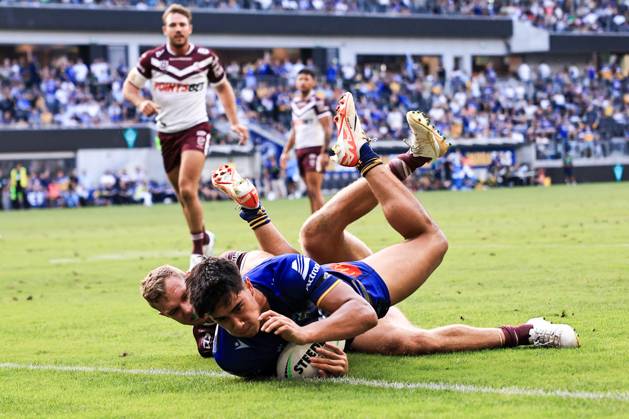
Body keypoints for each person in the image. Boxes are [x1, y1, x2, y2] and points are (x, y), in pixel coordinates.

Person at [165, 93, 578, 377]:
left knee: (418, 238)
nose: (239, 322)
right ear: (204, 318)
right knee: (408, 342)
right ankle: (527, 331)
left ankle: (364, 153)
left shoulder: (263, 272)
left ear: (244, 286)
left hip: (349, 291)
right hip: (337, 314)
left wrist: (305, 333)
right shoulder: (225, 352)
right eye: (222, 319)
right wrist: (325, 361)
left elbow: (351, 309)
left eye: (238, 307)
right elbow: (290, 364)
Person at [122, 3, 249, 270]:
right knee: (183, 196)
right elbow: (129, 87)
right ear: (164, 29)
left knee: (188, 188)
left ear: (189, 28)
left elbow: (224, 88)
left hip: (196, 128)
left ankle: (197, 251)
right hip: (166, 132)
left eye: (182, 24)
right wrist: (140, 102)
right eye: (173, 25)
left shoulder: (205, 58)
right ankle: (204, 236)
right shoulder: (152, 59)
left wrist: (235, 121)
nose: (178, 29)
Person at [280, 68, 332, 213]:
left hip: (315, 148)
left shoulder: (318, 102)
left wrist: (324, 152)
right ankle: (315, 227)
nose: (302, 82)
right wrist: (285, 152)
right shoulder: (295, 103)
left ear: (313, 82)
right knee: (310, 191)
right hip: (300, 149)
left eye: (306, 79)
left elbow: (327, 128)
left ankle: (328, 226)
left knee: (315, 190)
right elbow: (294, 130)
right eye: (300, 79)